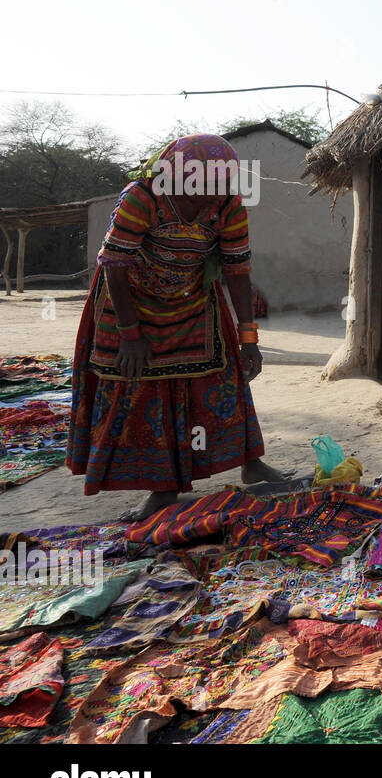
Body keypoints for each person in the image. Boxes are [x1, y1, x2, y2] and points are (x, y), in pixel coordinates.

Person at [66, 134, 286, 520]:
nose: (207, 196)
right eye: (200, 186)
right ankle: (163, 489)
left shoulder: (228, 205)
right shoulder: (142, 198)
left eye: (218, 186)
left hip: (193, 297)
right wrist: (130, 334)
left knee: (224, 376)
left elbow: (237, 269)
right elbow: (115, 265)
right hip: (128, 300)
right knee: (144, 387)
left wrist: (249, 338)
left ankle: (251, 463)